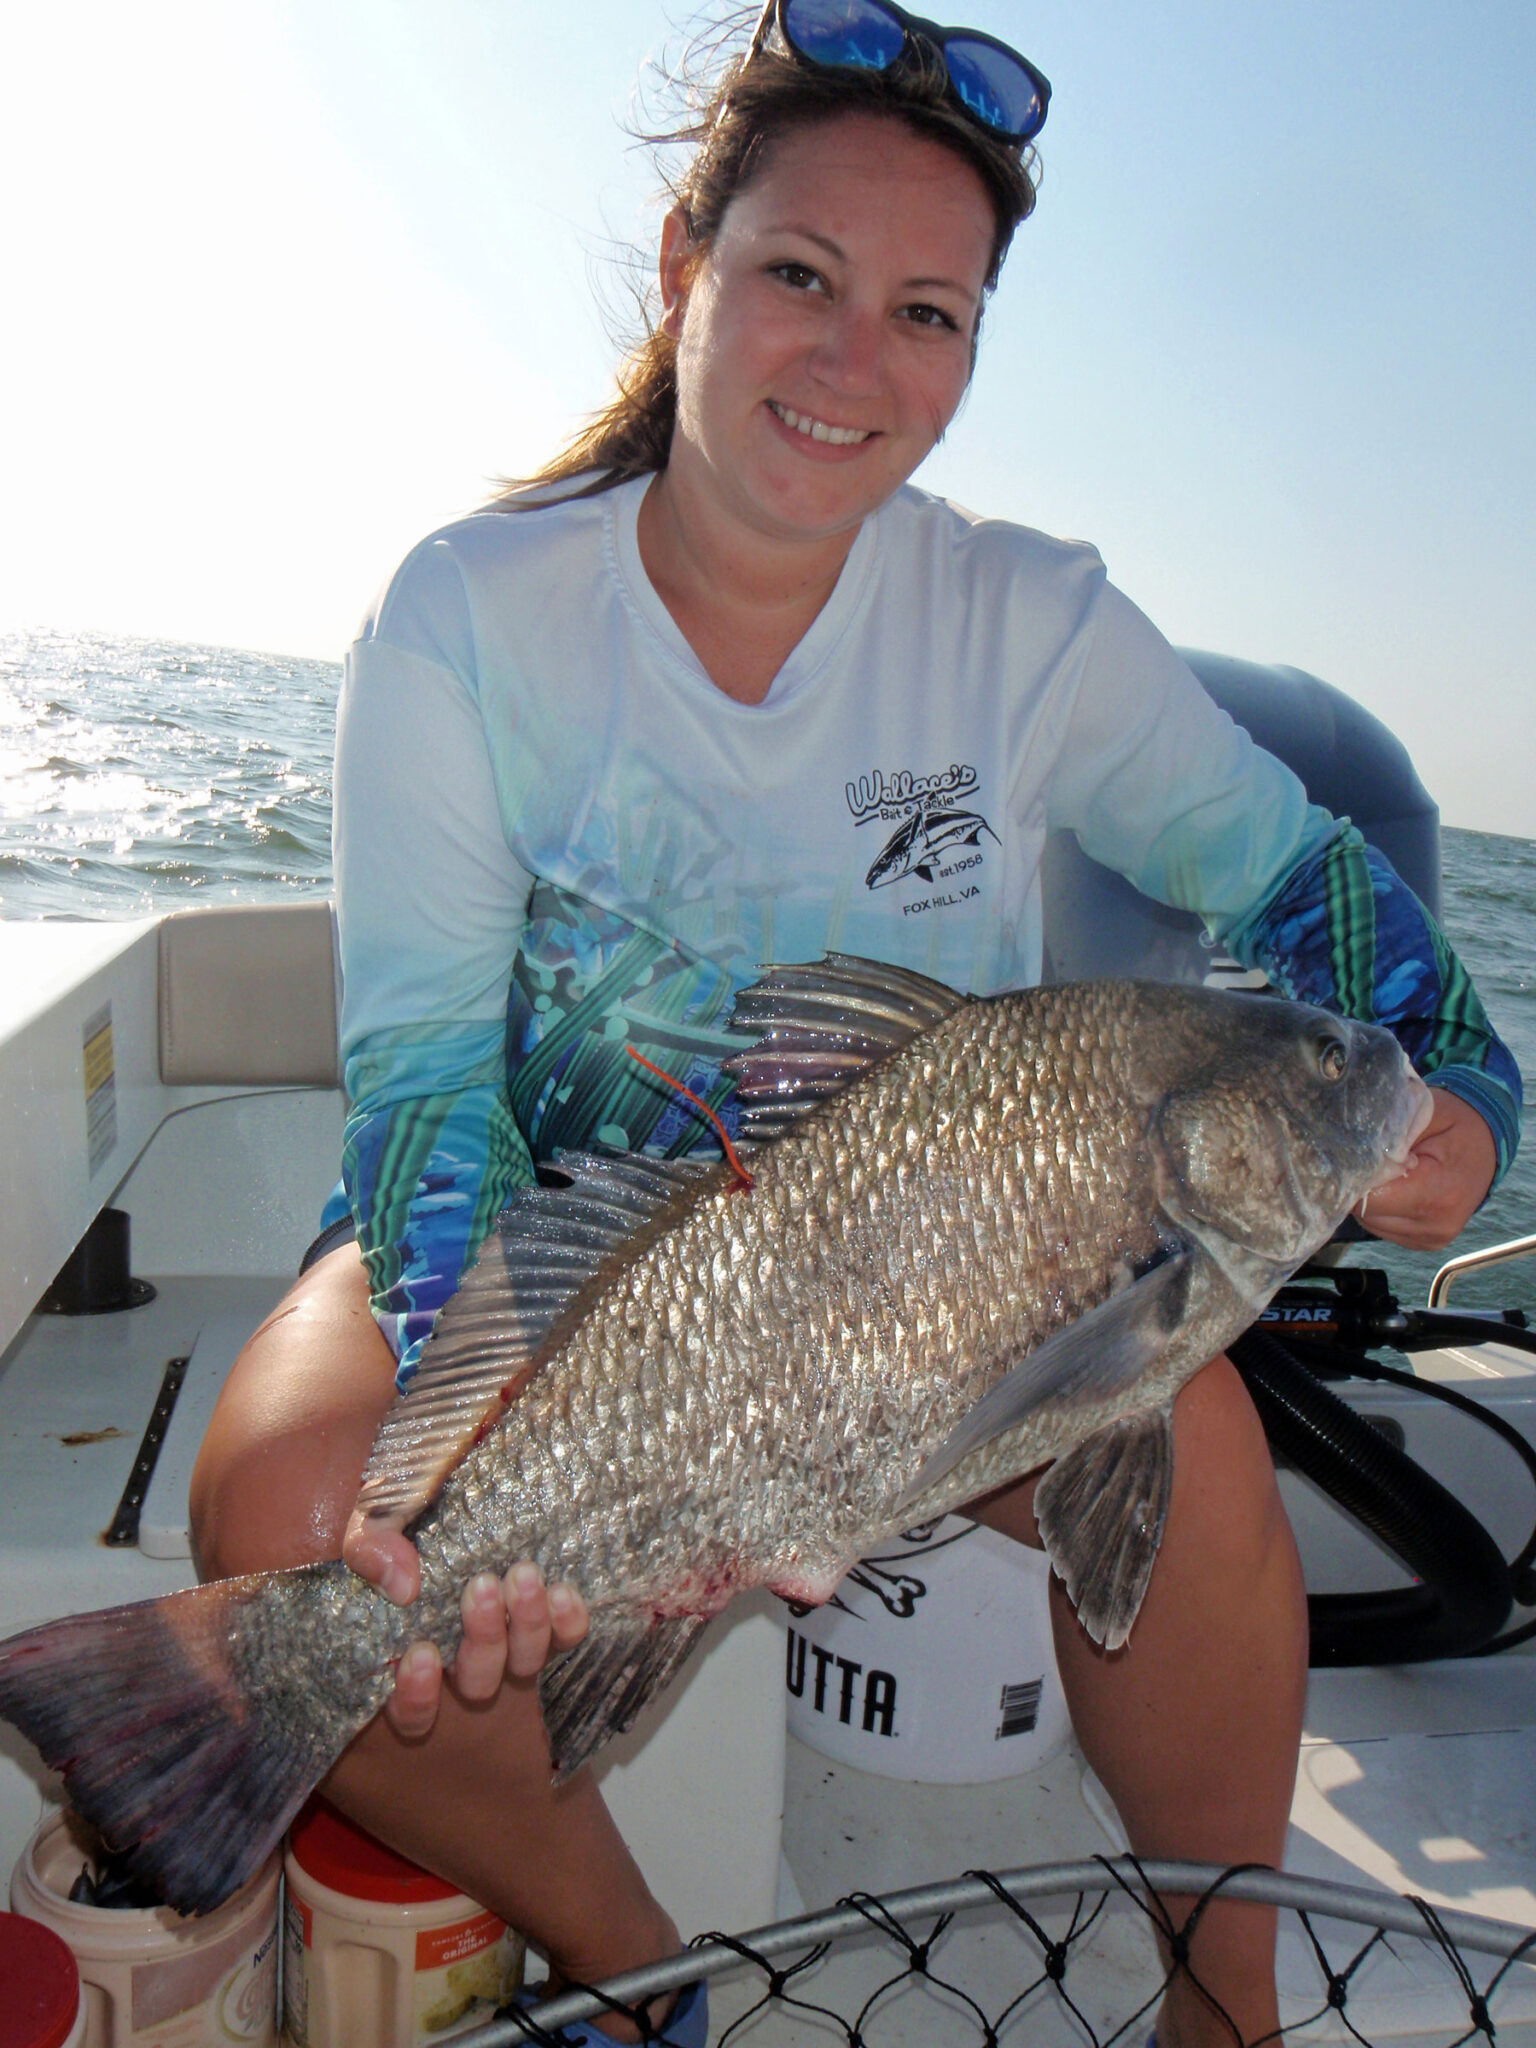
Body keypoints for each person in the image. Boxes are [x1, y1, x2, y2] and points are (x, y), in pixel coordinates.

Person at [190, 5, 1521, 2045]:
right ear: (683, 271)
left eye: (931, 312)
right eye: (798, 276)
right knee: (290, 1529)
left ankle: (1222, 2000)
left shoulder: (1035, 623)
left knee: (1201, 1445)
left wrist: (1475, 1114)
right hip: (539, 1269)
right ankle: (646, 1986)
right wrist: (516, 1463)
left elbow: (1319, 892)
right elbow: (431, 1104)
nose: (855, 360)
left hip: (935, 1267)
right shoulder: (466, 620)